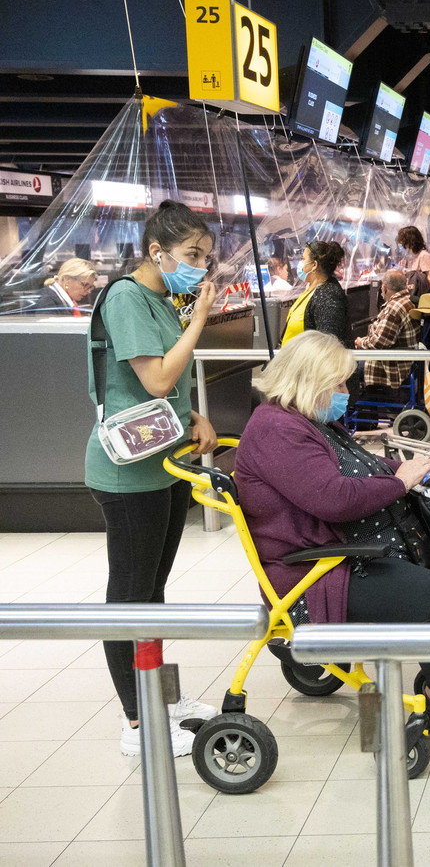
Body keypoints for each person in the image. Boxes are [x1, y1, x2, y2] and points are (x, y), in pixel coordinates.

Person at [235, 331, 430, 733]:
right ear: (310, 382)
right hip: (320, 571)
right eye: (339, 385)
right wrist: (400, 482)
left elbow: (358, 464)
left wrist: (408, 470)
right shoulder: (277, 431)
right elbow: (334, 498)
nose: (346, 393)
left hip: (354, 548)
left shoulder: (305, 419)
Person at [84, 200, 221, 756]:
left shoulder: (160, 299)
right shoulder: (126, 297)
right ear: (156, 251)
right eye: (193, 255)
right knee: (130, 596)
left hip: (163, 463)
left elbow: (164, 389)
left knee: (152, 592)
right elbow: (158, 379)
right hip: (127, 474)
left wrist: (196, 416)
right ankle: (138, 723)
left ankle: (161, 698)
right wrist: (199, 321)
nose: (200, 267)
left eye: (205, 257)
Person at [354, 269, 417, 392]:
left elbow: (379, 344)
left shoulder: (394, 309)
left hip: (390, 369)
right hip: (403, 363)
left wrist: (361, 343)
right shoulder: (406, 301)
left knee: (343, 367)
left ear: (384, 288)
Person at [282, 240, 351, 348]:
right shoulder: (310, 290)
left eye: (303, 259)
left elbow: (329, 344)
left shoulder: (329, 296)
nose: (300, 263)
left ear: (314, 265)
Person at [27, 257, 97, 314]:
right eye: (85, 285)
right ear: (67, 279)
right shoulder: (47, 303)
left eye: (91, 287)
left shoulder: (63, 300)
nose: (89, 291)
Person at [397, 226, 430, 291]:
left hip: (420, 293)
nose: (402, 244)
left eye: (404, 241)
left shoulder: (424, 256)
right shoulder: (411, 256)